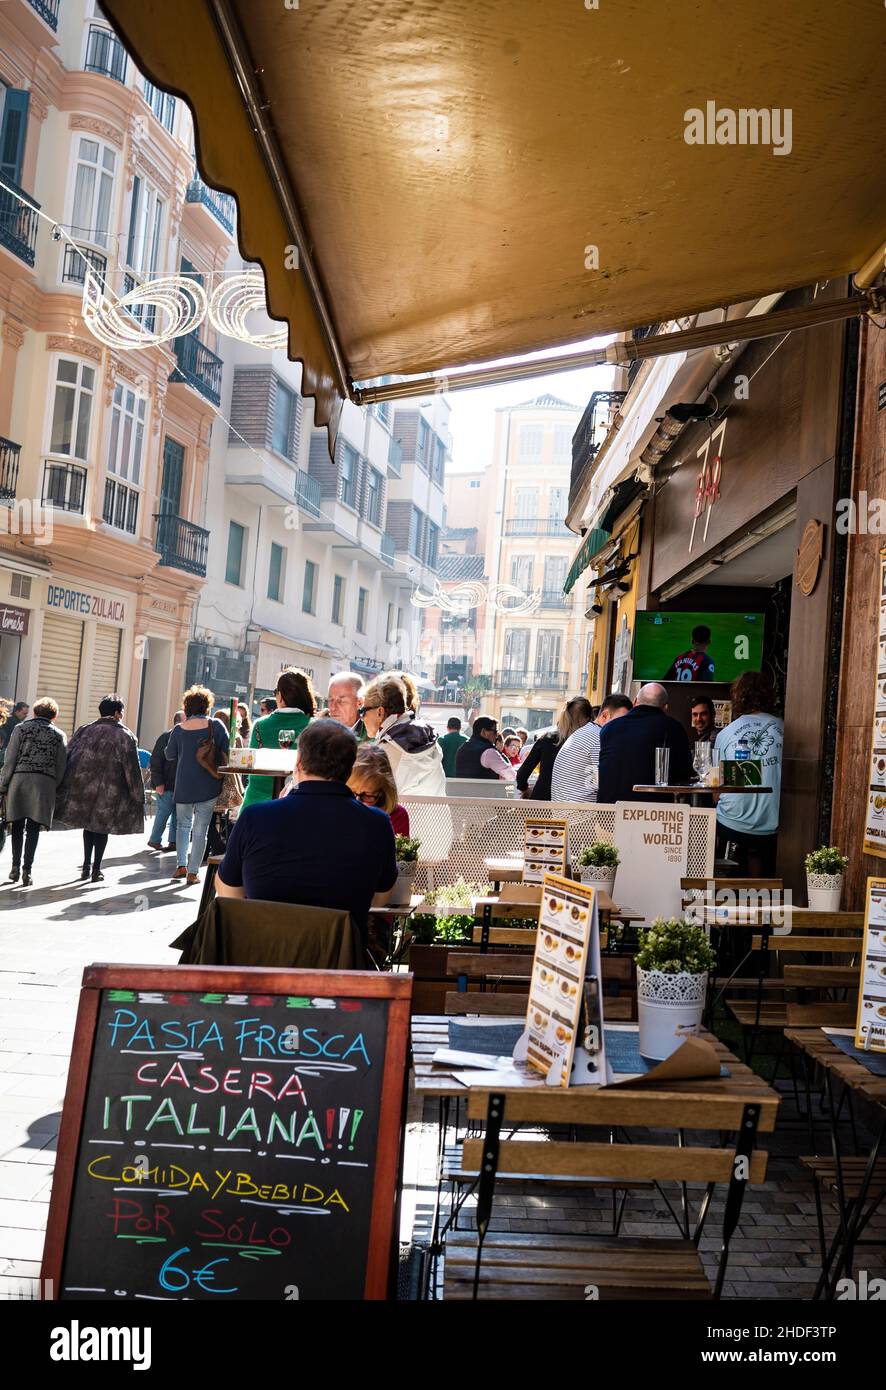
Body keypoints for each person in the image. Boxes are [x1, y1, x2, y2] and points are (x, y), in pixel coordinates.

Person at [216, 719, 397, 947]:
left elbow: (228, 894)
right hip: (338, 967)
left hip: (263, 962)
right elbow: (379, 898)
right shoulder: (377, 824)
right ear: (350, 768)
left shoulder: (254, 818)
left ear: (299, 761)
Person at [55, 694, 145, 881]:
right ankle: (96, 868)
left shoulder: (84, 730)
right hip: (109, 791)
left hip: (83, 787)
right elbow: (132, 767)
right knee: (101, 828)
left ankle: (86, 865)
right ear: (116, 713)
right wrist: (137, 794)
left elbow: (68, 755)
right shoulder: (125, 735)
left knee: (88, 826)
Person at [714, 670, 784, 876]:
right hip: (773, 824)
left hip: (731, 823)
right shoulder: (784, 728)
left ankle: (724, 892)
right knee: (758, 855)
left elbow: (719, 790)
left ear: (738, 696)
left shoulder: (726, 733)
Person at [164, 686, 230, 885]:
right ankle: (193, 873)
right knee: (201, 828)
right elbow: (226, 748)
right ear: (207, 705)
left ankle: (181, 865)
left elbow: (169, 755)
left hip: (184, 784)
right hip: (209, 783)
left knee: (183, 826)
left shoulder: (178, 729)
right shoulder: (216, 725)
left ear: (187, 707)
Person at [0, 697, 67, 887]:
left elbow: (10, 759)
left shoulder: (20, 729)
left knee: (17, 826)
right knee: (33, 830)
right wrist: (54, 786)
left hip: (19, 781)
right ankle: (27, 871)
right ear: (54, 716)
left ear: (35, 712)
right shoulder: (58, 735)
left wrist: (3, 785)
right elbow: (61, 765)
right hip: (44, 784)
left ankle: (14, 866)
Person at [597, 683, 695, 804]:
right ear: (665, 707)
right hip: (653, 812)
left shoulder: (609, 728)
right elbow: (684, 774)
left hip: (610, 811)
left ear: (635, 702)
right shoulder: (674, 728)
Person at [359, 673, 446, 796]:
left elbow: (373, 801)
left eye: (363, 711)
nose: (361, 718)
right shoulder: (428, 738)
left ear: (380, 712)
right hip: (438, 814)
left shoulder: (386, 750)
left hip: (403, 815)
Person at [242, 668, 315, 808]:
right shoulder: (315, 727)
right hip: (299, 805)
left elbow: (253, 772)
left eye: (276, 692)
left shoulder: (260, 725)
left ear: (280, 696)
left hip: (257, 805)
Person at [551, 695, 632, 802]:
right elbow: (606, 785)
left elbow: (594, 782)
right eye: (619, 721)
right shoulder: (599, 738)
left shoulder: (586, 732)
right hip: (581, 815)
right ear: (604, 715)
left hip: (565, 812)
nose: (623, 727)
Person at [519, 697, 594, 801]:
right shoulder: (589, 742)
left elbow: (522, 774)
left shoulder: (546, 739)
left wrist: (524, 789)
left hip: (541, 801)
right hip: (574, 804)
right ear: (588, 718)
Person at [348, 744, 410, 835]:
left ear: (383, 792)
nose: (357, 801)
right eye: (351, 792)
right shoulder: (333, 810)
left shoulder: (396, 816)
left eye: (367, 795)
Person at [147, 710, 184, 851]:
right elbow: (155, 761)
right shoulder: (165, 737)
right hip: (166, 785)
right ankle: (154, 840)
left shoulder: (183, 737)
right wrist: (158, 783)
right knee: (164, 813)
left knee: (177, 815)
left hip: (178, 785)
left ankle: (173, 842)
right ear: (178, 722)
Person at [454, 716, 516, 781]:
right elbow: (511, 775)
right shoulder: (489, 752)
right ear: (484, 732)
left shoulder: (462, 748)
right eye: (495, 731)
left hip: (462, 790)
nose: (497, 735)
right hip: (486, 790)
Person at [328, 671, 368, 741]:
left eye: (341, 701)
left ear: (360, 702)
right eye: (331, 700)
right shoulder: (319, 733)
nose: (333, 707)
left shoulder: (372, 736)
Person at [0, 700, 29, 769]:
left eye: (27, 714)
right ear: (17, 711)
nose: (26, 716)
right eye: (24, 713)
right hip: (6, 751)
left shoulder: (7, 718)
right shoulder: (16, 724)